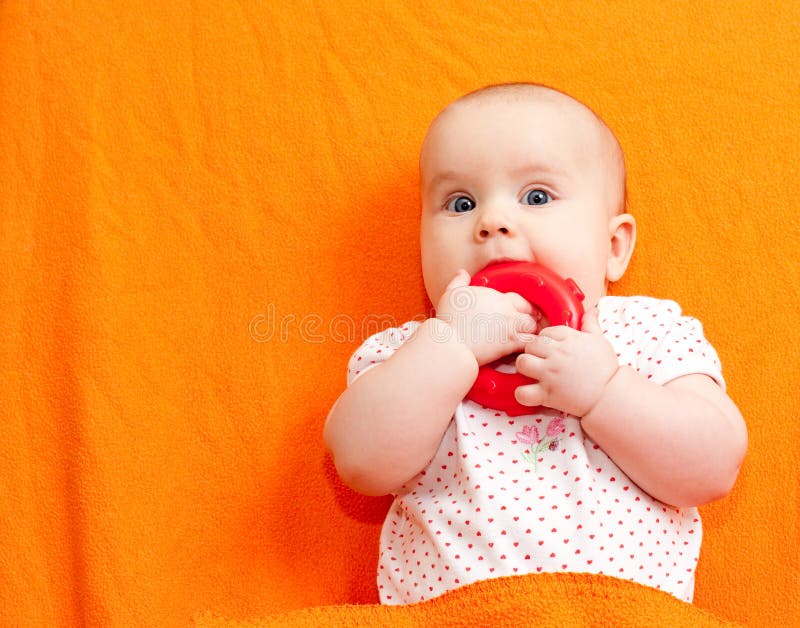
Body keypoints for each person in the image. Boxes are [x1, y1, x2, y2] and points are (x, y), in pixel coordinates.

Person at [323, 82, 747, 605]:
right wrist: (449, 347)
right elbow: (360, 462)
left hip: (621, 613)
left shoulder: (647, 332)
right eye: (459, 203)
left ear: (613, 246)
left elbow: (714, 466)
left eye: (536, 196)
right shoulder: (408, 353)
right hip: (458, 615)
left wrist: (606, 391)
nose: (492, 222)